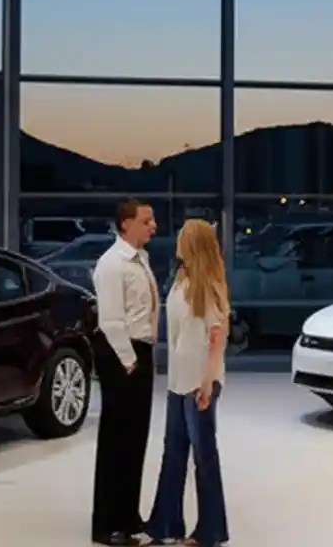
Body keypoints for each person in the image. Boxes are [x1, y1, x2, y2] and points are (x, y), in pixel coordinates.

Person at [146, 218, 231, 547]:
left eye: (183, 235)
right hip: (178, 381)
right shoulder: (182, 280)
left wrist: (208, 384)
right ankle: (165, 525)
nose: (177, 239)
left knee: (204, 458)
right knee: (174, 453)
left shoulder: (208, 286)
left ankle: (210, 532)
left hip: (199, 383)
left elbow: (216, 339)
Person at [90, 198, 160, 547]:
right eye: (146, 220)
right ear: (125, 224)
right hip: (122, 354)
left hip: (139, 352)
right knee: (117, 441)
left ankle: (128, 515)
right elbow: (111, 320)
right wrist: (129, 360)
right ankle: (106, 525)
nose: (153, 226)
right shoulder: (111, 264)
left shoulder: (140, 259)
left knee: (136, 439)